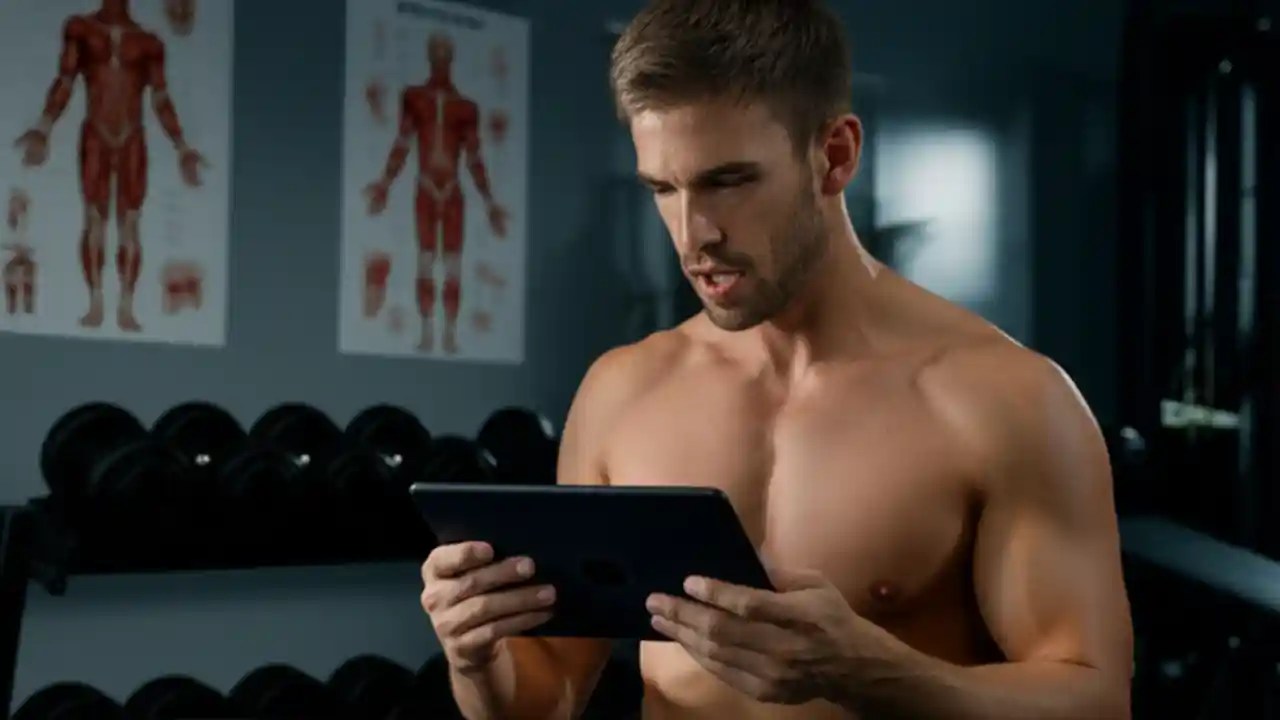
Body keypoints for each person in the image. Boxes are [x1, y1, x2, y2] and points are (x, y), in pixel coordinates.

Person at [418, 1, 1134, 718]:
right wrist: (477, 659)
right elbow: (548, 701)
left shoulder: (1006, 398)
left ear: (835, 155)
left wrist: (873, 674)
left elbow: (1097, 702)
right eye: (664, 189)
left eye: (728, 181)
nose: (694, 233)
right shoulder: (621, 392)